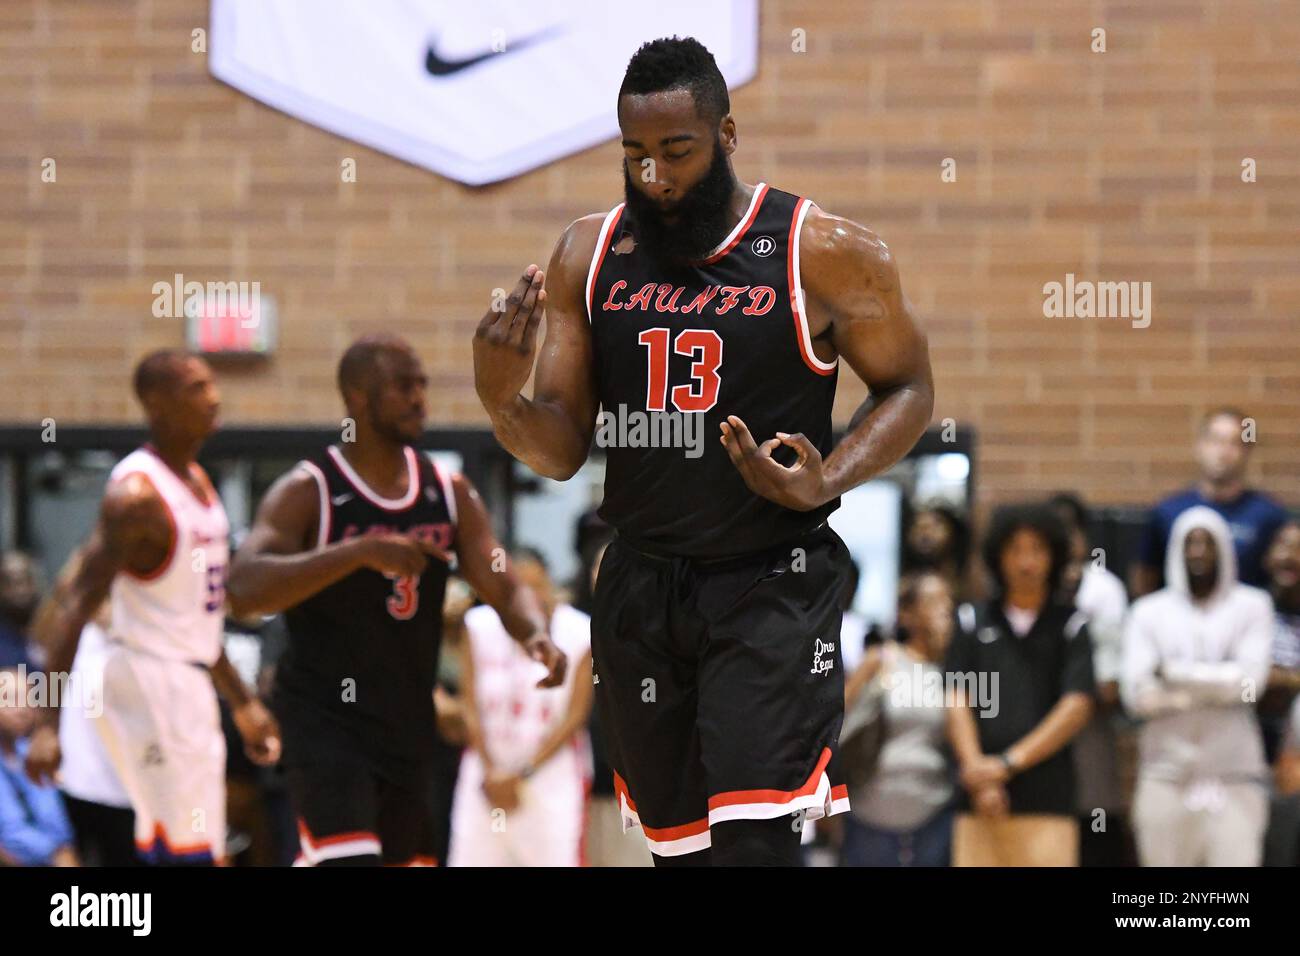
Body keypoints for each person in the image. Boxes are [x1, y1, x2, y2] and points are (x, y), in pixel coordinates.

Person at [472, 36, 933, 866]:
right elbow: (561, 449)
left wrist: (829, 477)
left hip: (770, 581)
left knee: (754, 845)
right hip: (641, 585)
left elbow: (909, 389)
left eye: (676, 150)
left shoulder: (821, 249)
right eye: (635, 154)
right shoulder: (588, 253)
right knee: (677, 854)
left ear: (726, 135)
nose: (655, 175)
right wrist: (503, 400)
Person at [227, 335, 565, 867]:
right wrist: (356, 552)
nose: (418, 398)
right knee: (351, 860)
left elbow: (502, 580)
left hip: (406, 723)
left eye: (422, 385)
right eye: (403, 386)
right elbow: (242, 589)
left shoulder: (448, 491)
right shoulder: (311, 489)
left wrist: (533, 632)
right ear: (358, 397)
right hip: (324, 720)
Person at [24, 350, 281, 866]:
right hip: (146, 677)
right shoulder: (136, 497)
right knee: (190, 849)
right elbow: (76, 605)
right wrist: (47, 723)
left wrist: (242, 702)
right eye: (196, 388)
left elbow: (196, 620)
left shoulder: (199, 482)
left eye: (212, 385)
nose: (214, 397)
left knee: (186, 842)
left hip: (187, 676)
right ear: (156, 404)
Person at [945, 504, 1095, 867]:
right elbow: (955, 698)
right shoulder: (971, 620)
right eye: (1015, 550)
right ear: (998, 556)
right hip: (978, 800)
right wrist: (980, 774)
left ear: (1054, 557)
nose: (1026, 562)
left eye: (1037, 550)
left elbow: (1076, 707)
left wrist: (1007, 764)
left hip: (1048, 800)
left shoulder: (1071, 625)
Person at [1122, 506, 1273, 867]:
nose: (1199, 553)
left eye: (1208, 543)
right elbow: (1138, 698)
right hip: (1165, 774)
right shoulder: (1148, 612)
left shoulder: (1253, 605)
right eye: (1191, 543)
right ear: (1177, 548)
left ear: (1224, 549)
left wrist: (1171, 674)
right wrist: (1220, 684)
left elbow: (1250, 687)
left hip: (1235, 775)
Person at [450, 549, 593, 866]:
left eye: (537, 586)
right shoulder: (478, 624)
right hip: (485, 775)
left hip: (549, 778)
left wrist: (522, 774)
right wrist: (493, 771)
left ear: (550, 586)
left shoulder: (579, 631)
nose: (530, 596)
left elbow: (575, 717)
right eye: (520, 587)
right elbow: (469, 703)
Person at [28, 549, 136, 867]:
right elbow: (39, 638)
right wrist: (75, 573)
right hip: (73, 779)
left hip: (127, 785)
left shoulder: (139, 635)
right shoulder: (73, 635)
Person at [840, 572, 956, 867]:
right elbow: (839, 720)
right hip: (870, 813)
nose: (944, 609)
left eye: (949, 602)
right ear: (907, 614)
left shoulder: (954, 670)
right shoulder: (881, 660)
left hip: (935, 815)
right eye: (933, 601)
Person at [1050, 492, 1132, 866]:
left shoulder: (1104, 588)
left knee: (1095, 841)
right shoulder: (1028, 585)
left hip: (1089, 741)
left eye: (1070, 530)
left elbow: (1109, 688)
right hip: (1036, 754)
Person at [1131, 407, 1288, 595]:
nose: (1224, 451)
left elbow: (1282, 583)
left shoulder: (1268, 515)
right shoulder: (1168, 512)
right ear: (1199, 446)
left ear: (1247, 451)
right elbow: (1145, 576)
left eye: (1234, 443)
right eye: (1216, 441)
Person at [0, 660, 77, 866]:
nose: (22, 710)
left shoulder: (29, 752)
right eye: (10, 699)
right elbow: (10, 831)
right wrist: (56, 853)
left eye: (29, 700)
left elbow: (54, 820)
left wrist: (63, 851)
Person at [1260, 520, 1300, 764]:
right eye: (1283, 546)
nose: (1289, 556)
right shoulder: (1250, 606)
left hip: (1295, 717)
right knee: (1243, 694)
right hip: (1253, 708)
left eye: (1298, 549)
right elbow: (1243, 677)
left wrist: (1286, 678)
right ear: (1267, 558)